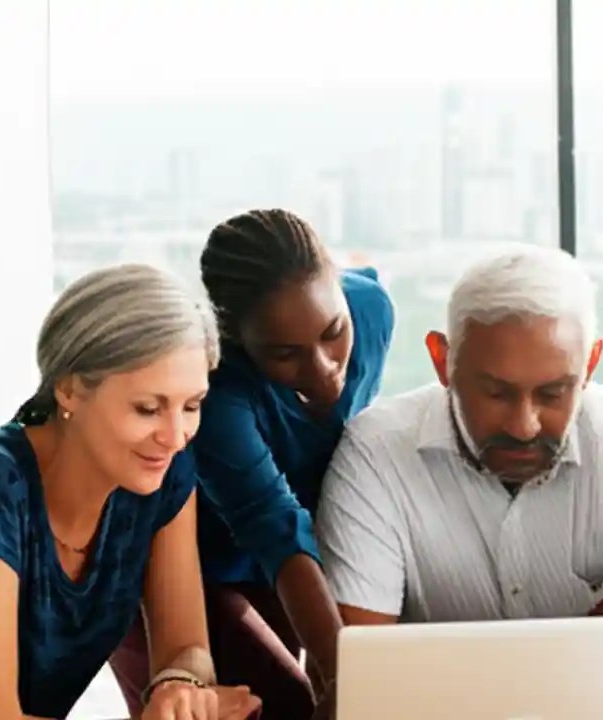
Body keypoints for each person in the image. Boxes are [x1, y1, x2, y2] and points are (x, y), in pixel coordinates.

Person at [0, 264, 261, 720]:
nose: (175, 436)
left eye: (191, 406)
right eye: (148, 408)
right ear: (70, 389)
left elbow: (186, 645)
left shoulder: (162, 473)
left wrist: (181, 683)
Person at [109, 209, 394, 720]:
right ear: (235, 341)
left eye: (333, 331)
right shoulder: (218, 392)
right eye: (285, 354)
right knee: (282, 708)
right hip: (182, 569)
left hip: (283, 566)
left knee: (319, 700)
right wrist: (354, 678)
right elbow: (271, 521)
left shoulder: (372, 312)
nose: (324, 370)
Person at [314, 246, 603, 626]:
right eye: (496, 394)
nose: (523, 427)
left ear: (590, 363)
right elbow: (359, 664)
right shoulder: (376, 453)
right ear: (442, 361)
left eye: (552, 394)